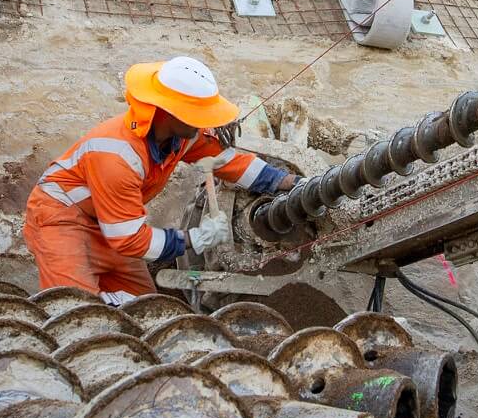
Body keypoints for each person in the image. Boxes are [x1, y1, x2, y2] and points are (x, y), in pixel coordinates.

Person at [22, 56, 295, 304]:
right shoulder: (117, 156)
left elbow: (228, 162)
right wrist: (196, 238)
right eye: (200, 115)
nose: (205, 123)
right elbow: (130, 240)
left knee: (149, 308)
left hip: (113, 221)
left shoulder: (181, 136)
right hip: (61, 220)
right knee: (75, 310)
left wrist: (288, 183)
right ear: (170, 112)